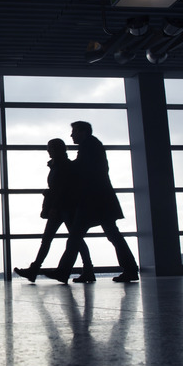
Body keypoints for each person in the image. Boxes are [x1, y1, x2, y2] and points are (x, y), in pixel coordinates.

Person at [45, 121, 139, 283]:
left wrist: (61, 164)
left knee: (76, 236)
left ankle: (64, 271)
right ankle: (130, 269)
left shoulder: (89, 146)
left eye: (74, 132)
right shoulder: (92, 145)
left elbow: (82, 169)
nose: (71, 135)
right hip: (100, 201)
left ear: (82, 132)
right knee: (111, 235)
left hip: (93, 202)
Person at [14, 139, 95, 283]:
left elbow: (61, 189)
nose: (48, 150)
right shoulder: (63, 165)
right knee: (74, 240)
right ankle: (88, 269)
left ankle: (34, 270)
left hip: (61, 208)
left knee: (52, 240)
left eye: (50, 148)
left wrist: (53, 205)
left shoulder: (60, 166)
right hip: (64, 207)